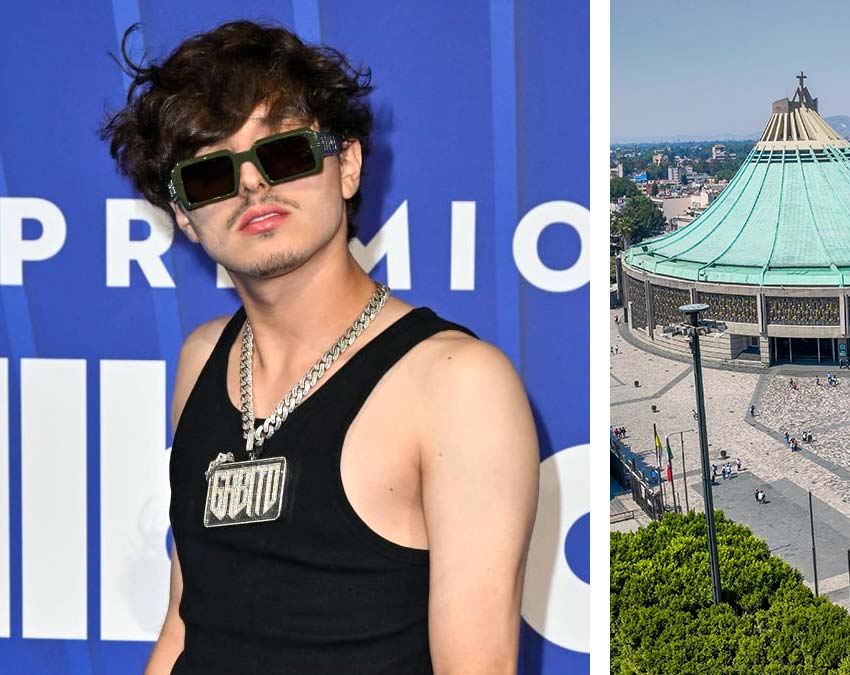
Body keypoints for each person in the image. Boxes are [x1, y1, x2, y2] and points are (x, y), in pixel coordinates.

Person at [102, 21, 538, 675]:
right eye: (211, 173)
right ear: (186, 217)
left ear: (349, 164)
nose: (251, 185)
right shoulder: (201, 360)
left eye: (283, 154)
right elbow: (183, 626)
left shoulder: (455, 383)